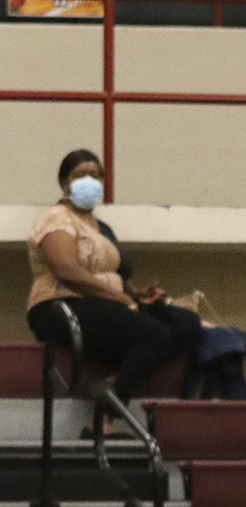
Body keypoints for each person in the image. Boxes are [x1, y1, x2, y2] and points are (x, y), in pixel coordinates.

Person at [26, 150, 201, 411]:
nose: (89, 180)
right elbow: (66, 270)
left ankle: (115, 382)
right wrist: (119, 298)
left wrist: (134, 294)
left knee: (186, 322)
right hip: (61, 305)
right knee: (154, 334)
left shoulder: (101, 228)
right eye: (80, 175)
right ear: (64, 183)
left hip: (105, 304)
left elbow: (112, 278)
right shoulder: (56, 218)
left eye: (95, 176)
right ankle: (106, 418)